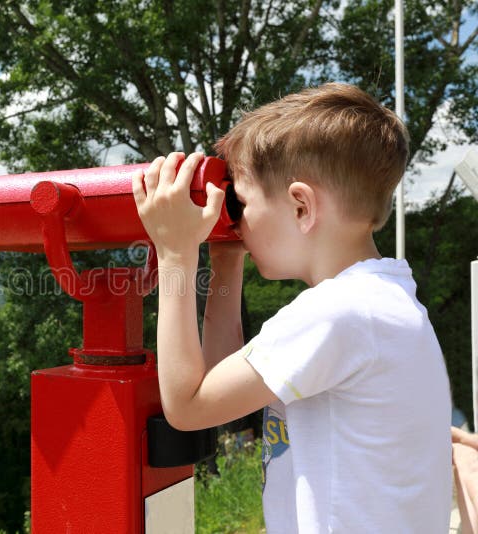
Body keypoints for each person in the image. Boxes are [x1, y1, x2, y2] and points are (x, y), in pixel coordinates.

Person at [132, 83, 452, 533]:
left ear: (301, 206)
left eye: (241, 204)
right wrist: (226, 260)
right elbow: (219, 384)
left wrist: (175, 256)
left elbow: (187, 407)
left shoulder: (338, 312)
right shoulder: (383, 301)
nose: (236, 221)